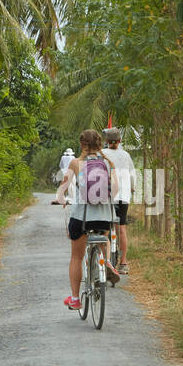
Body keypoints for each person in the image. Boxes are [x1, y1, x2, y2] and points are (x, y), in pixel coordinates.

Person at [52, 129, 119, 310]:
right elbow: (116, 190)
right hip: (104, 218)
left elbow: (63, 188)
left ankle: (75, 299)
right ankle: (104, 264)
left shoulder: (76, 163)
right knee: (102, 240)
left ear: (82, 145)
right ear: (99, 144)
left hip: (81, 219)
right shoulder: (108, 163)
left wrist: (61, 200)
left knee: (76, 256)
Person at [101, 127, 134, 273]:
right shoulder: (126, 155)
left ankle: (105, 260)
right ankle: (124, 263)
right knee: (122, 228)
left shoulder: (101, 154)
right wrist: (132, 188)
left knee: (105, 227)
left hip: (106, 195)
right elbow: (133, 175)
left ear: (106, 141)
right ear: (120, 141)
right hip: (123, 196)